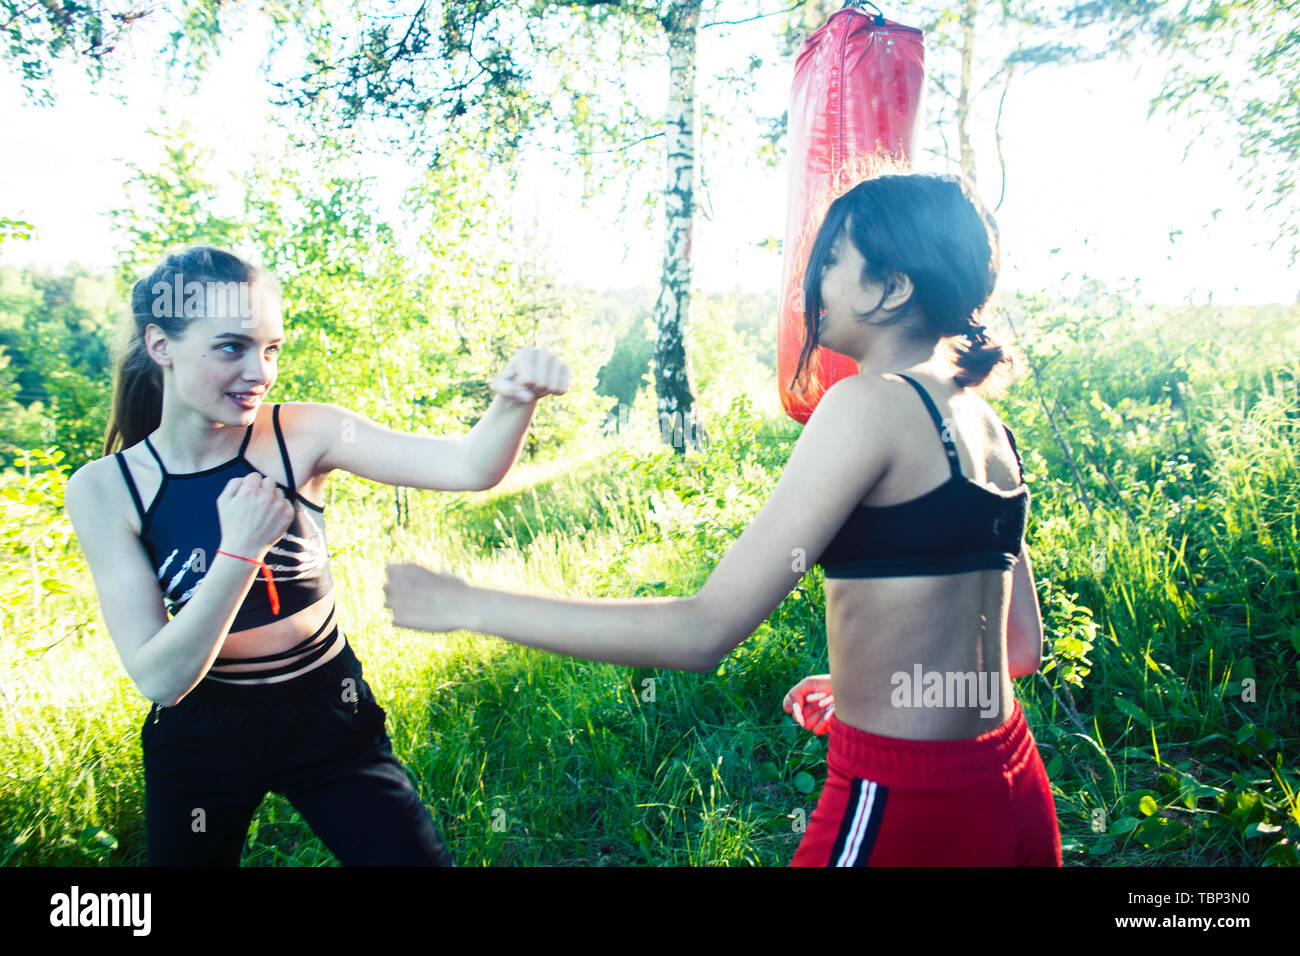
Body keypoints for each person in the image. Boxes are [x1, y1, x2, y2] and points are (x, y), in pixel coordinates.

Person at [383, 173, 1062, 866]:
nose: (812, 284)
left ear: (893, 287)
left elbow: (702, 632)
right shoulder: (983, 421)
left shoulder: (868, 405)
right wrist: (873, 685)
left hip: (904, 802)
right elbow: (1019, 650)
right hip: (1012, 788)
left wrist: (468, 603)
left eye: (832, 262)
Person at [64, 245, 569, 866]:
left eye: (271, 348)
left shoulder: (302, 433)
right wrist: (240, 550)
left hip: (328, 708)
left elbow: (467, 467)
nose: (260, 371)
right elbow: (161, 679)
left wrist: (515, 400)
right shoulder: (106, 488)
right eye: (232, 347)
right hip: (203, 730)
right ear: (161, 345)